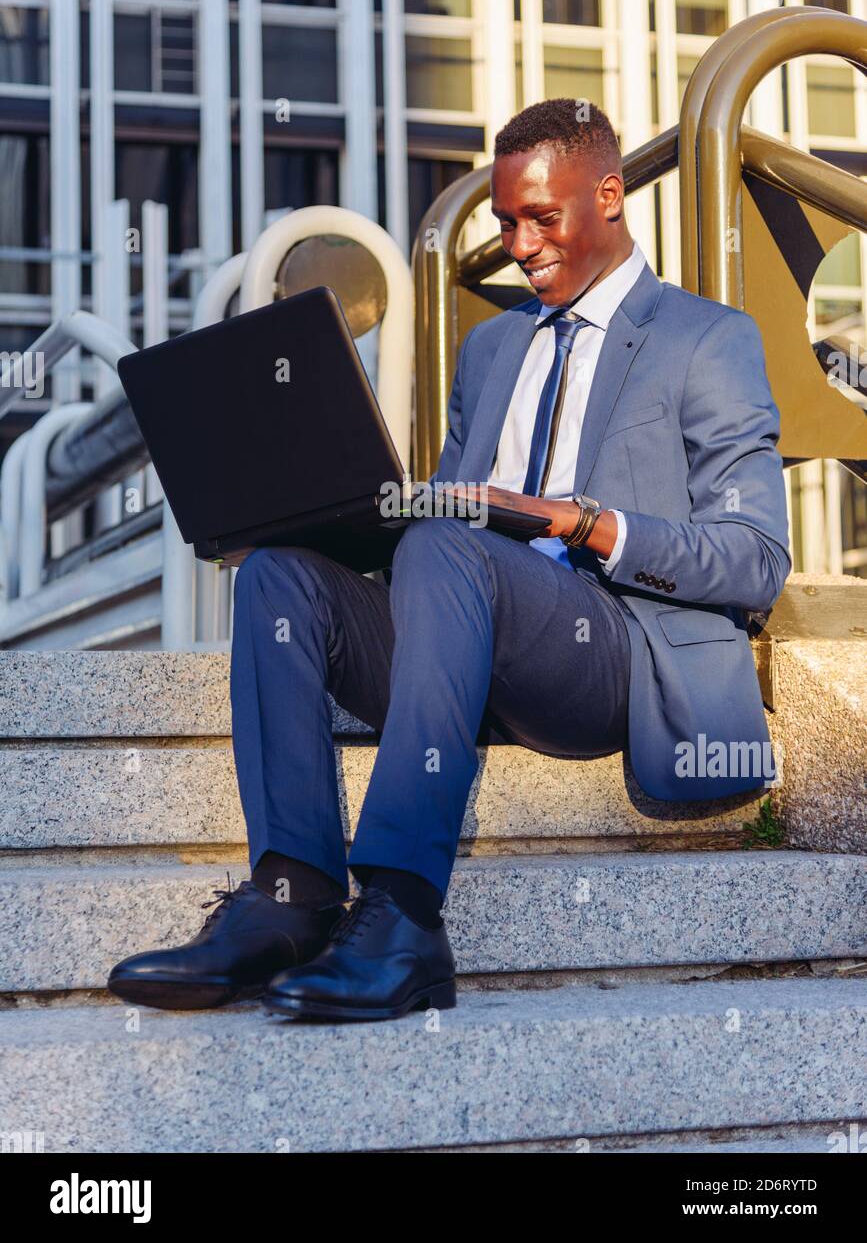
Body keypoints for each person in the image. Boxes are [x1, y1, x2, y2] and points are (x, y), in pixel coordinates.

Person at [108, 99, 791, 1022]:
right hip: (464, 635)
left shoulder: (705, 339)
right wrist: (344, 524)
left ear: (609, 195)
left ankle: (400, 915)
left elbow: (755, 560)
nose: (520, 243)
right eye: (506, 222)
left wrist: (579, 521)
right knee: (281, 571)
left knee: (446, 544)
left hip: (605, 649)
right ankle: (291, 898)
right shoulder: (491, 346)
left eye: (541, 218)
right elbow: (449, 518)